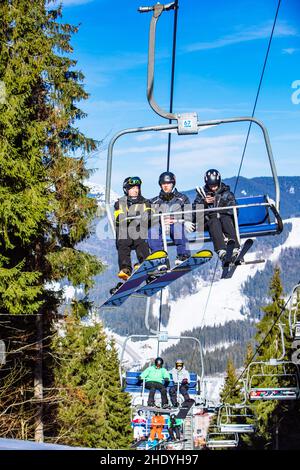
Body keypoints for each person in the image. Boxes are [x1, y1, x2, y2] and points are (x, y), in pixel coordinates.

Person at [192, 169, 240, 261]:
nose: (213, 187)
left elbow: (234, 210)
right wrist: (204, 202)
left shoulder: (227, 194)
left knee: (225, 219)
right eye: (211, 185)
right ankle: (221, 250)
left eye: (215, 185)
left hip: (225, 220)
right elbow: (195, 214)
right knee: (214, 221)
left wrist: (220, 204)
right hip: (208, 222)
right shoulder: (201, 195)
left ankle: (235, 247)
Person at [148, 172, 194, 266]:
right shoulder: (154, 201)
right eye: (163, 184)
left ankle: (183, 255)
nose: (166, 186)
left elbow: (189, 213)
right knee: (152, 231)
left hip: (176, 224)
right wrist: (161, 220)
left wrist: (179, 220)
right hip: (161, 226)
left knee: (176, 227)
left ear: (173, 184)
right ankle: (159, 258)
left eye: (168, 184)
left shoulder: (182, 198)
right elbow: (149, 216)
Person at [114, 176, 151, 280]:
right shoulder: (120, 202)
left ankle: (144, 263)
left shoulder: (145, 201)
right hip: (125, 232)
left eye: (137, 188)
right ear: (126, 190)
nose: (135, 190)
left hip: (139, 230)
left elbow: (148, 214)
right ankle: (125, 268)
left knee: (141, 241)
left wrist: (131, 216)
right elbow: (119, 217)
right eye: (132, 188)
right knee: (123, 242)